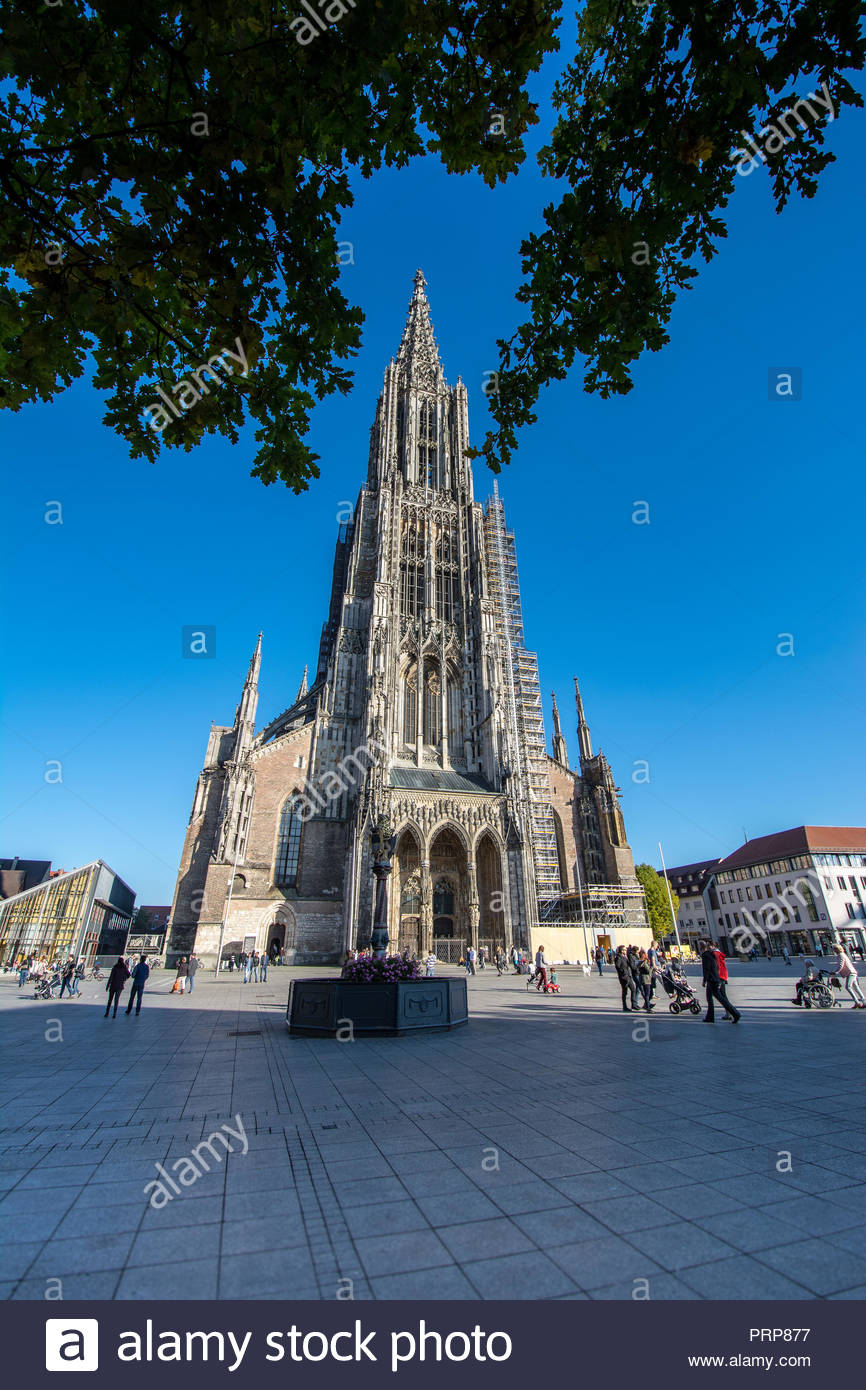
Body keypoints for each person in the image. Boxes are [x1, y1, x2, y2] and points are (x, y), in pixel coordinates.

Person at [700, 939, 741, 1023]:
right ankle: (710, 1017)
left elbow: (707, 969)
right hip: (717, 978)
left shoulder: (707, 955)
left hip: (713, 979)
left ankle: (735, 1013)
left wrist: (704, 980)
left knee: (720, 998)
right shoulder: (713, 954)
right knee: (711, 998)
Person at [833, 941, 866, 1008]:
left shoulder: (840, 955)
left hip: (850, 973)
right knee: (856, 988)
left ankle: (857, 1002)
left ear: (837, 949)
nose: (834, 950)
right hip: (852, 972)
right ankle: (864, 1002)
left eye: (834, 949)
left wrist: (835, 972)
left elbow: (840, 965)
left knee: (848, 987)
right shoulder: (842, 954)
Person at [614, 946, 635, 1011]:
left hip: (628, 976)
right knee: (625, 991)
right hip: (624, 977)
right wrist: (623, 973)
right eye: (624, 950)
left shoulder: (624, 957)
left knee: (633, 989)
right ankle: (624, 1006)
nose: (626, 951)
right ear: (621, 950)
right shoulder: (618, 957)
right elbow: (617, 967)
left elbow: (629, 965)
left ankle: (633, 1004)